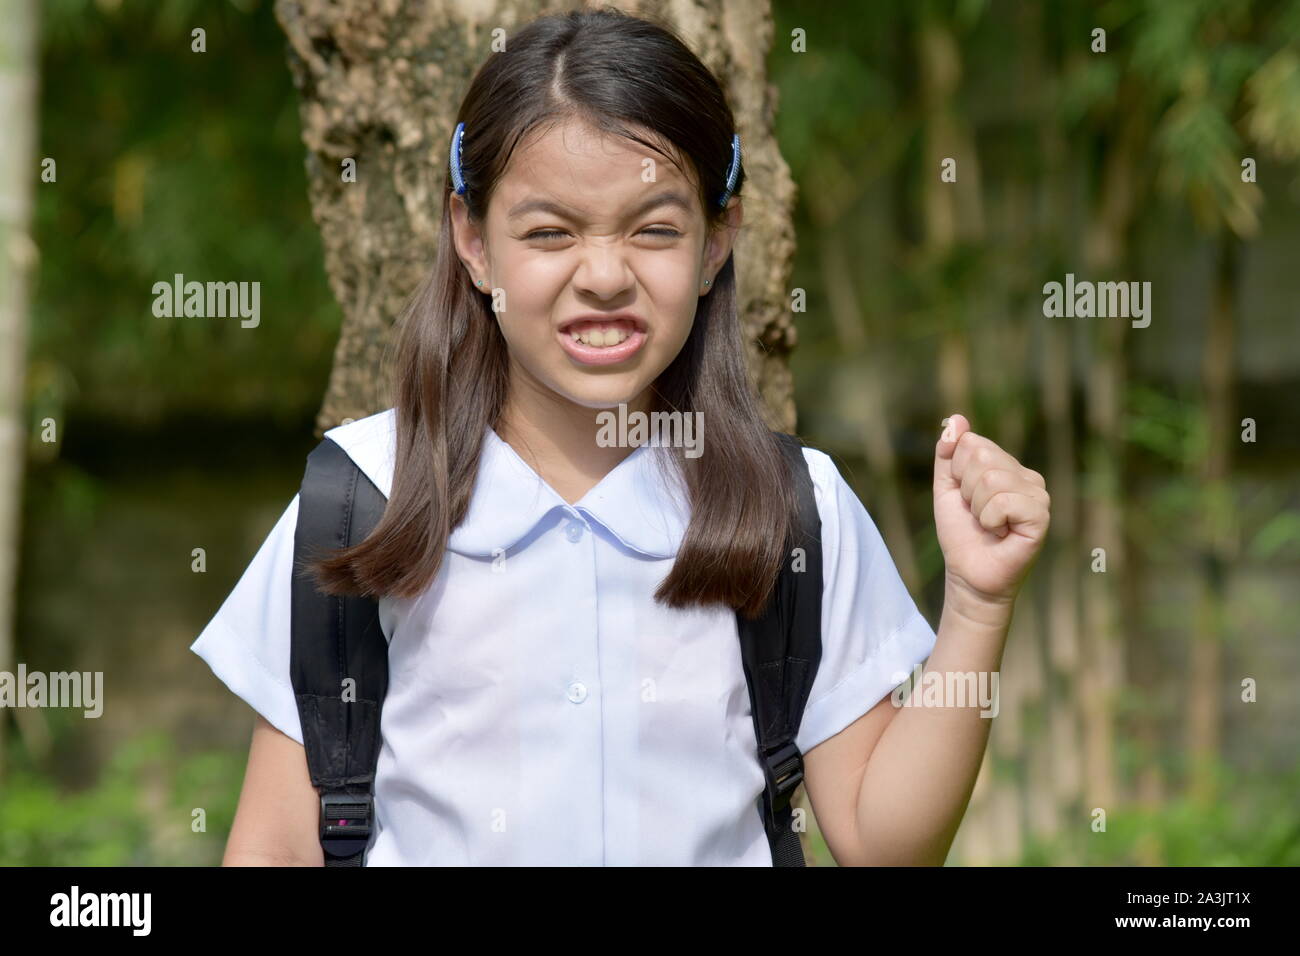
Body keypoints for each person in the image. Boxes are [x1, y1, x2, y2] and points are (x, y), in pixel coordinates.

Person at [191, 7, 1050, 866]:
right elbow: (274, 849)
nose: (604, 277)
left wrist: (977, 605)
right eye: (549, 233)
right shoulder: (364, 498)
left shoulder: (793, 507)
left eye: (654, 230)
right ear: (473, 241)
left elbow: (883, 845)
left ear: (718, 241)